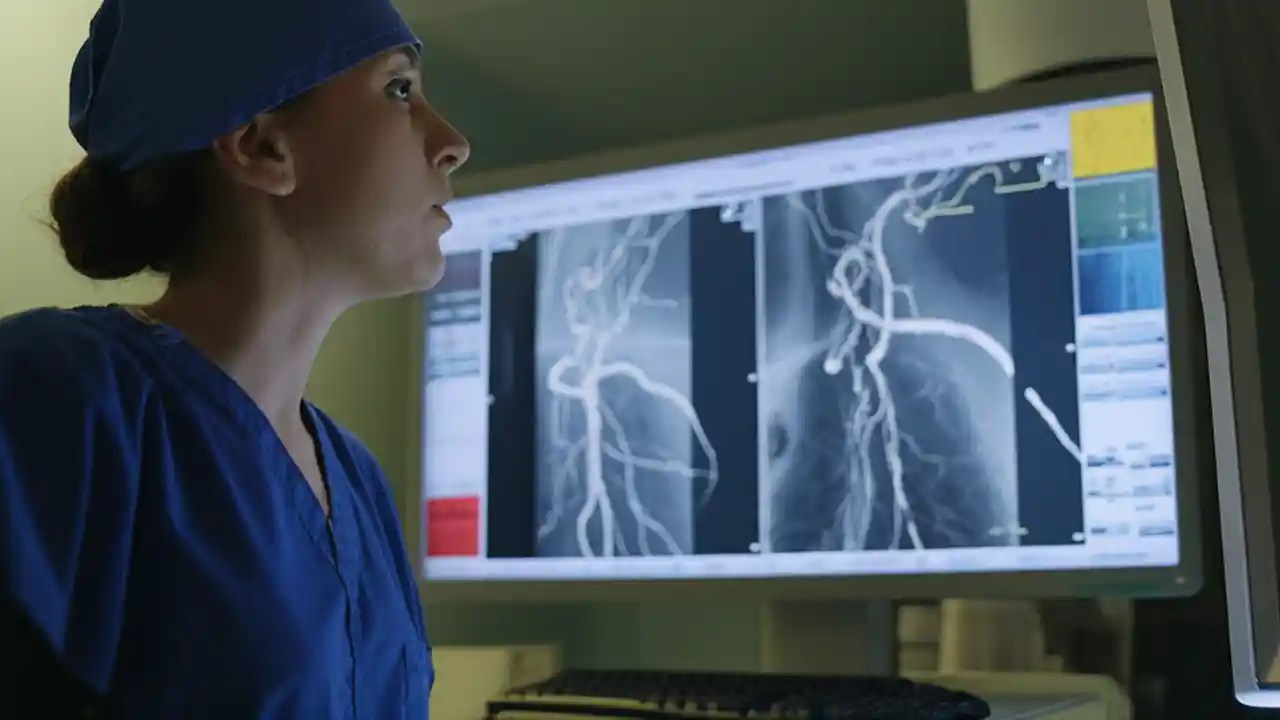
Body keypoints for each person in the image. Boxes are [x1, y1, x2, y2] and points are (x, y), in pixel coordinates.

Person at [0, 0, 469, 716]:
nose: (452, 143)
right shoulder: (55, 395)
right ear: (258, 146)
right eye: (398, 89)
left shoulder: (357, 478)